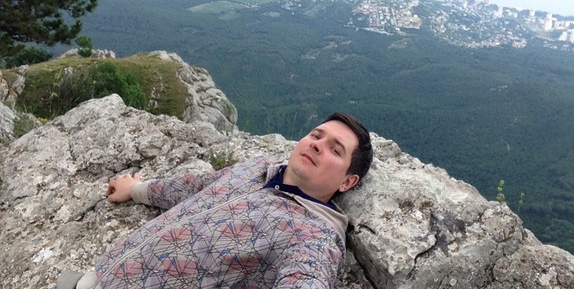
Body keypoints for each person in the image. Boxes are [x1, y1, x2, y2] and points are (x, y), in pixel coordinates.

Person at [57, 112, 373, 289]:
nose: (317, 145)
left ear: (347, 182)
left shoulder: (315, 238)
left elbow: (306, 278)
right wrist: (137, 189)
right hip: (97, 275)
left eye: (335, 149)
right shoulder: (257, 168)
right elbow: (195, 186)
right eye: (316, 135)